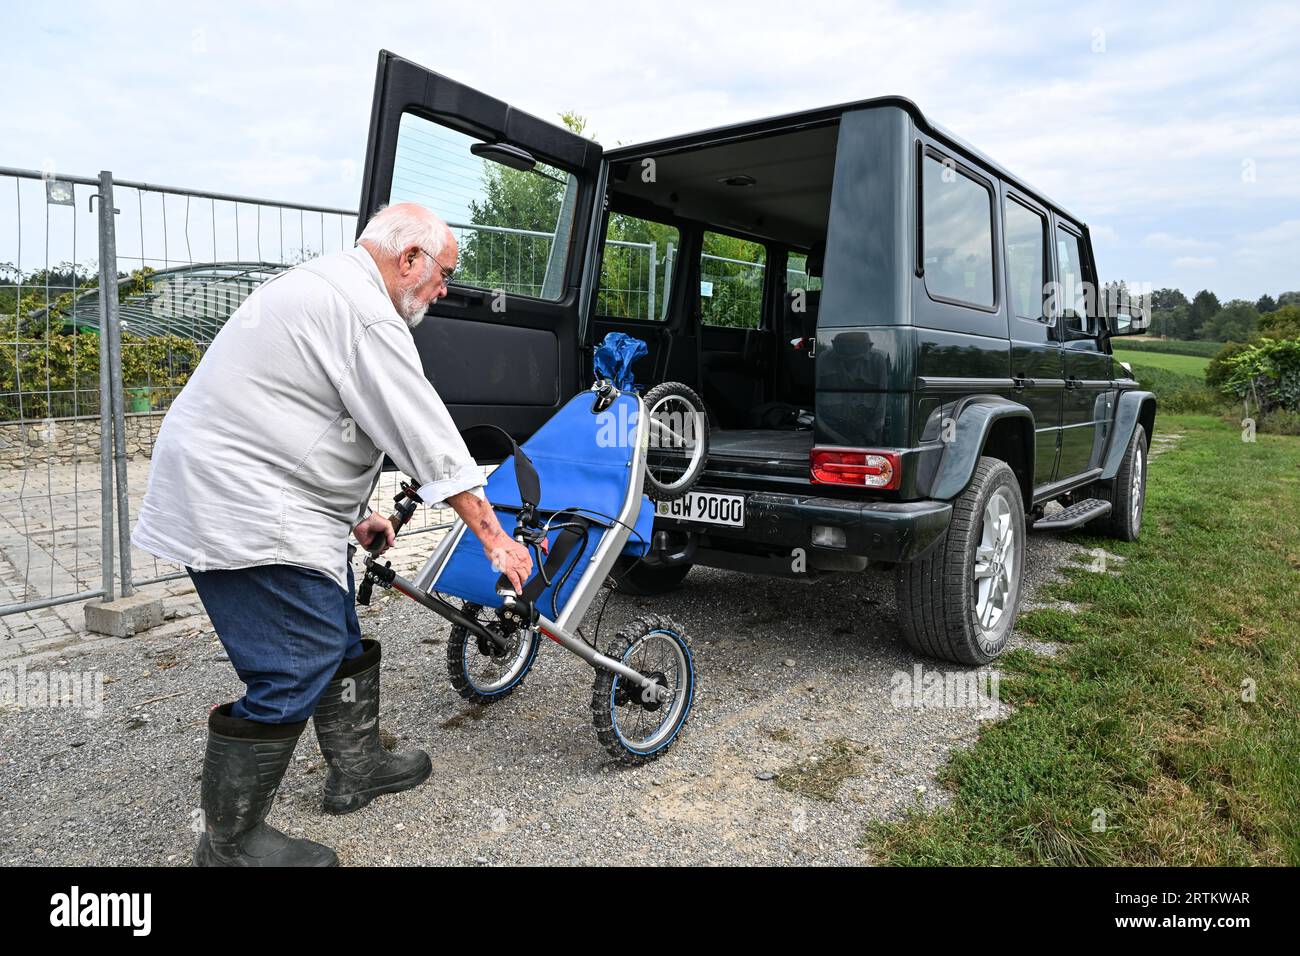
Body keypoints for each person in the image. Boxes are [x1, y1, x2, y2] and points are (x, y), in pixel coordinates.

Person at [132, 203, 533, 867]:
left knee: (334, 632)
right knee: (297, 658)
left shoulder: (332, 288)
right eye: (443, 276)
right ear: (409, 259)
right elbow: (428, 438)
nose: (444, 291)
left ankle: (358, 770)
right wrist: (494, 539)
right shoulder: (366, 312)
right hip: (242, 501)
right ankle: (228, 844)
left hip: (258, 489)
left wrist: (356, 517)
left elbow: (300, 418)